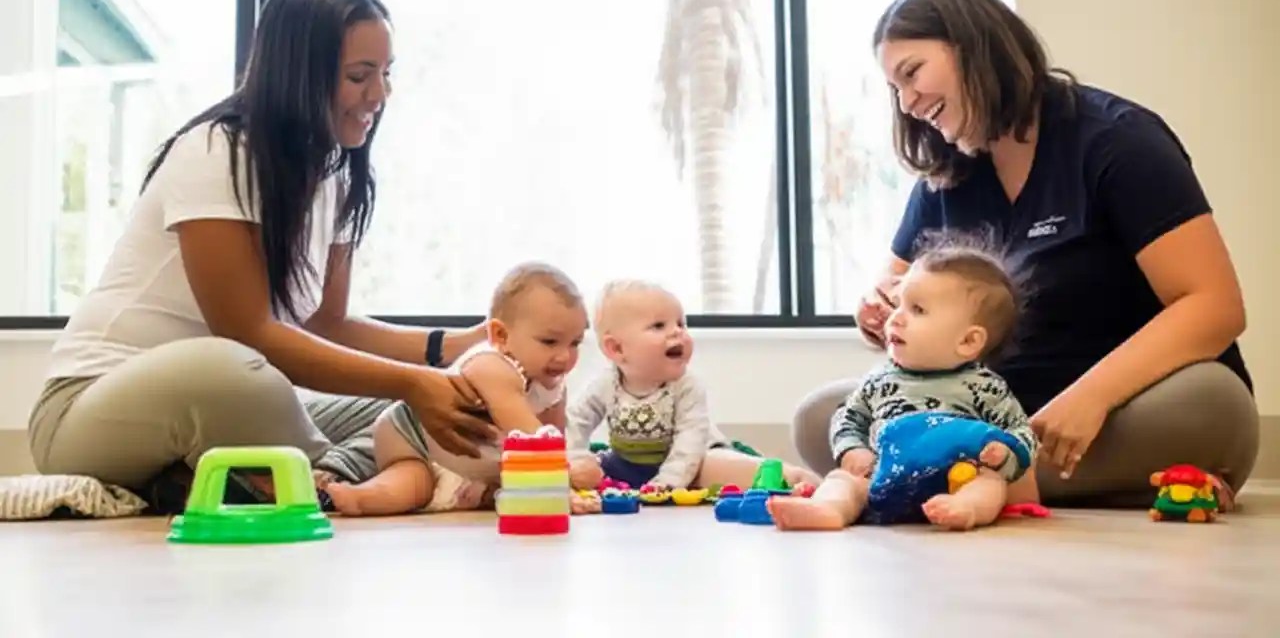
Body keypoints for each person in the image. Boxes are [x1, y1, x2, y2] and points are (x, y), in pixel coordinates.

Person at [791, 0, 1259, 509]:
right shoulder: (945, 177)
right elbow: (899, 293)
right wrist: (879, 311)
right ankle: (1024, 476)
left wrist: (1092, 398)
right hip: (987, 419)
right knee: (818, 418)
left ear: (972, 45)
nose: (907, 103)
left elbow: (1215, 307)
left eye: (912, 73)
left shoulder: (1117, 141)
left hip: (1122, 408)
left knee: (1211, 403)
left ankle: (947, 477)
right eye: (895, 89)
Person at [27, 0, 496, 504]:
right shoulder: (216, 151)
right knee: (233, 371)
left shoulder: (335, 176)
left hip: (228, 403)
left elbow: (328, 323)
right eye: (359, 75)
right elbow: (249, 332)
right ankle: (325, 478)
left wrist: (454, 349)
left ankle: (284, 480)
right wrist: (412, 380)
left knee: (419, 414)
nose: (380, 95)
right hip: (88, 408)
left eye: (386, 74)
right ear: (301, 75)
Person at [770, 241, 1036, 531]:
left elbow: (1022, 431)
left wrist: (1004, 453)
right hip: (883, 477)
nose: (896, 317)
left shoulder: (986, 387)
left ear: (968, 341)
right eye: (899, 305)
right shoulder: (878, 381)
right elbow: (848, 418)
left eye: (918, 309)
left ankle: (966, 509)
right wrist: (852, 450)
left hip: (959, 477)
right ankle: (828, 509)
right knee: (843, 481)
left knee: (990, 483)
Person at [324, 262, 588, 516]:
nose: (565, 356)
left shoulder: (552, 386)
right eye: (550, 341)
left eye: (575, 342)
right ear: (501, 336)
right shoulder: (491, 365)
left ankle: (370, 497)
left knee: (423, 486)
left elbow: (554, 440)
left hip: (461, 459)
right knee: (410, 476)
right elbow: (530, 435)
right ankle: (359, 494)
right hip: (411, 434)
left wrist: (569, 466)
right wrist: (563, 477)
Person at [566, 280, 820, 492]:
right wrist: (576, 461)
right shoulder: (605, 384)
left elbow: (690, 440)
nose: (677, 332)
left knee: (722, 468)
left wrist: (667, 483)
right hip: (628, 464)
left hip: (697, 459)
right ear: (616, 348)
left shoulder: (686, 386)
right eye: (658, 326)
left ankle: (803, 482)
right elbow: (575, 421)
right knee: (590, 470)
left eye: (680, 323)